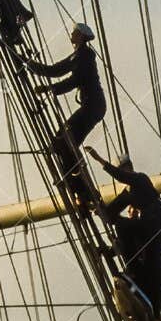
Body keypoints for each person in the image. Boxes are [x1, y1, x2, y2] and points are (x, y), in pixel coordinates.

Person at [85, 147, 161, 319]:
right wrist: (97, 208)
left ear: (130, 167)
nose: (125, 172)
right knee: (125, 229)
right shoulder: (128, 194)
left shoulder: (141, 179)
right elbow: (110, 215)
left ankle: (134, 274)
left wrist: (100, 160)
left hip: (160, 226)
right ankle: (141, 290)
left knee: (125, 227)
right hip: (150, 234)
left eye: (126, 168)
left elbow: (122, 177)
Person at [24, 23, 106, 205]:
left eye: (74, 32)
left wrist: (50, 89)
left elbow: (74, 80)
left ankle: (83, 190)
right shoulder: (78, 55)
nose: (71, 34)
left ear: (81, 36)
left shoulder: (85, 55)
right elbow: (55, 70)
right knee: (63, 143)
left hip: (93, 106)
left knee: (64, 142)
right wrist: (31, 65)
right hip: (92, 107)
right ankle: (81, 190)